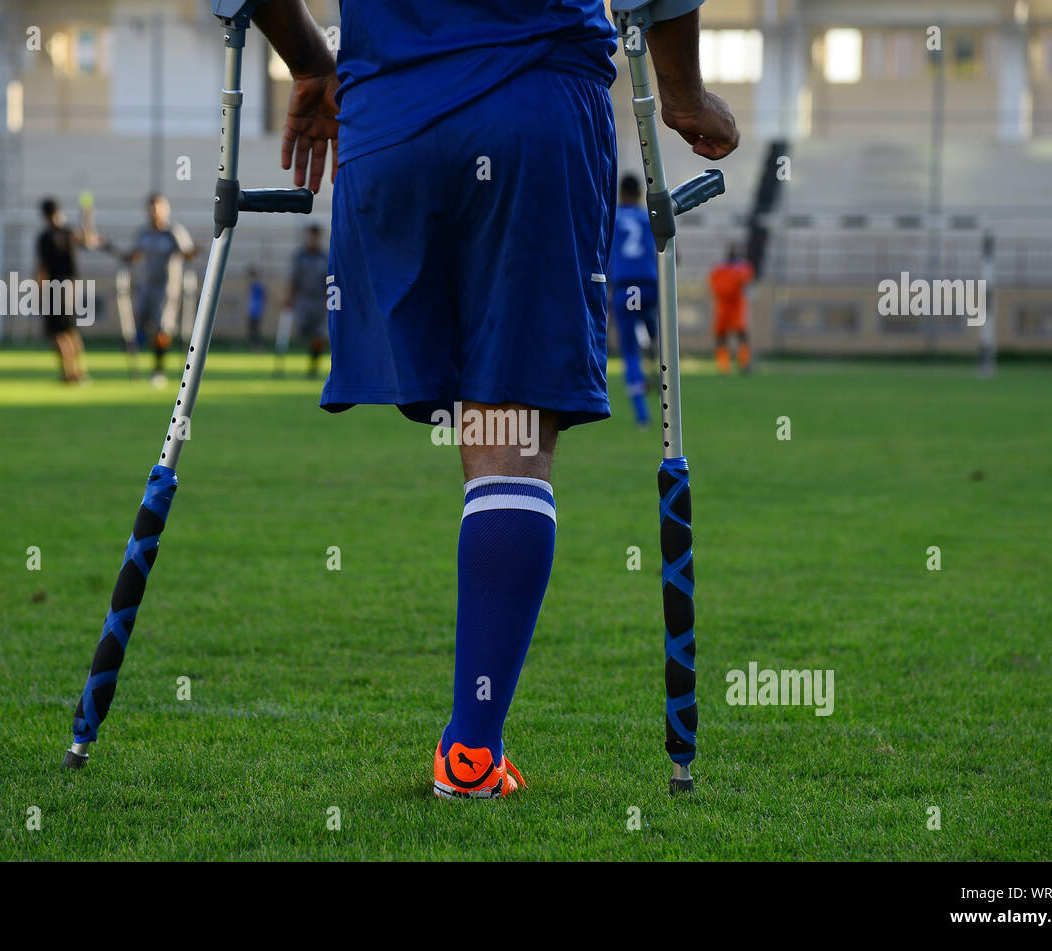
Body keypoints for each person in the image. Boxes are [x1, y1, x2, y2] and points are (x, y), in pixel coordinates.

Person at [253, 0, 738, 799]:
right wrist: (683, 94)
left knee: (482, 429)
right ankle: (471, 752)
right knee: (507, 437)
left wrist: (310, 61)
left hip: (387, 128)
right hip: (531, 109)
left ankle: (475, 738)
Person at [125, 193, 197, 387]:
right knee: (147, 327)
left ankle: (159, 370)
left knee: (163, 328)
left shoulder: (173, 232)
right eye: (151, 208)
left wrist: (195, 250)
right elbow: (134, 255)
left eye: (158, 207)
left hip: (167, 288)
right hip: (147, 286)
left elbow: (187, 253)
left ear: (166, 209)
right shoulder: (144, 233)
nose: (155, 212)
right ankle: (151, 362)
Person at [608, 174, 658, 429]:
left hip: (625, 288)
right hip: (651, 286)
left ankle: (642, 416)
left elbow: (603, 253)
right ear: (640, 193)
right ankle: (654, 352)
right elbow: (669, 252)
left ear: (621, 193)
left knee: (629, 353)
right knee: (657, 339)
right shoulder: (650, 216)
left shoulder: (612, 218)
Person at [35, 197, 94, 384]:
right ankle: (81, 371)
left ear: (44, 215)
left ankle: (68, 373)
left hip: (54, 287)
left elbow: (42, 267)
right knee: (71, 331)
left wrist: (38, 290)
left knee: (58, 333)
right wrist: (86, 215)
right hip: (72, 286)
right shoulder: (70, 232)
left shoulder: (45, 237)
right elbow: (89, 240)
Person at [286, 224, 329, 377]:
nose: (313, 239)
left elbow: (328, 280)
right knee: (304, 331)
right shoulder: (299, 256)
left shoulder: (324, 257)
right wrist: (290, 297)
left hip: (319, 300)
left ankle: (313, 364)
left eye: (315, 236)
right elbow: (293, 278)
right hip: (303, 299)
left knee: (319, 334)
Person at [709, 244, 755, 374]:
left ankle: (744, 362)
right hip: (723, 305)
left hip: (737, 305)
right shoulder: (720, 267)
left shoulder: (742, 266)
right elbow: (714, 284)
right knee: (721, 335)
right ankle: (723, 365)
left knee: (742, 333)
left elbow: (746, 279)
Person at [247, 267, 267, 352]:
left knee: (255, 330)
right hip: (253, 310)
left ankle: (258, 346)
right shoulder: (255, 285)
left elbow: (264, 296)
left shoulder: (257, 286)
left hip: (256, 311)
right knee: (252, 330)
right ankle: (255, 346)